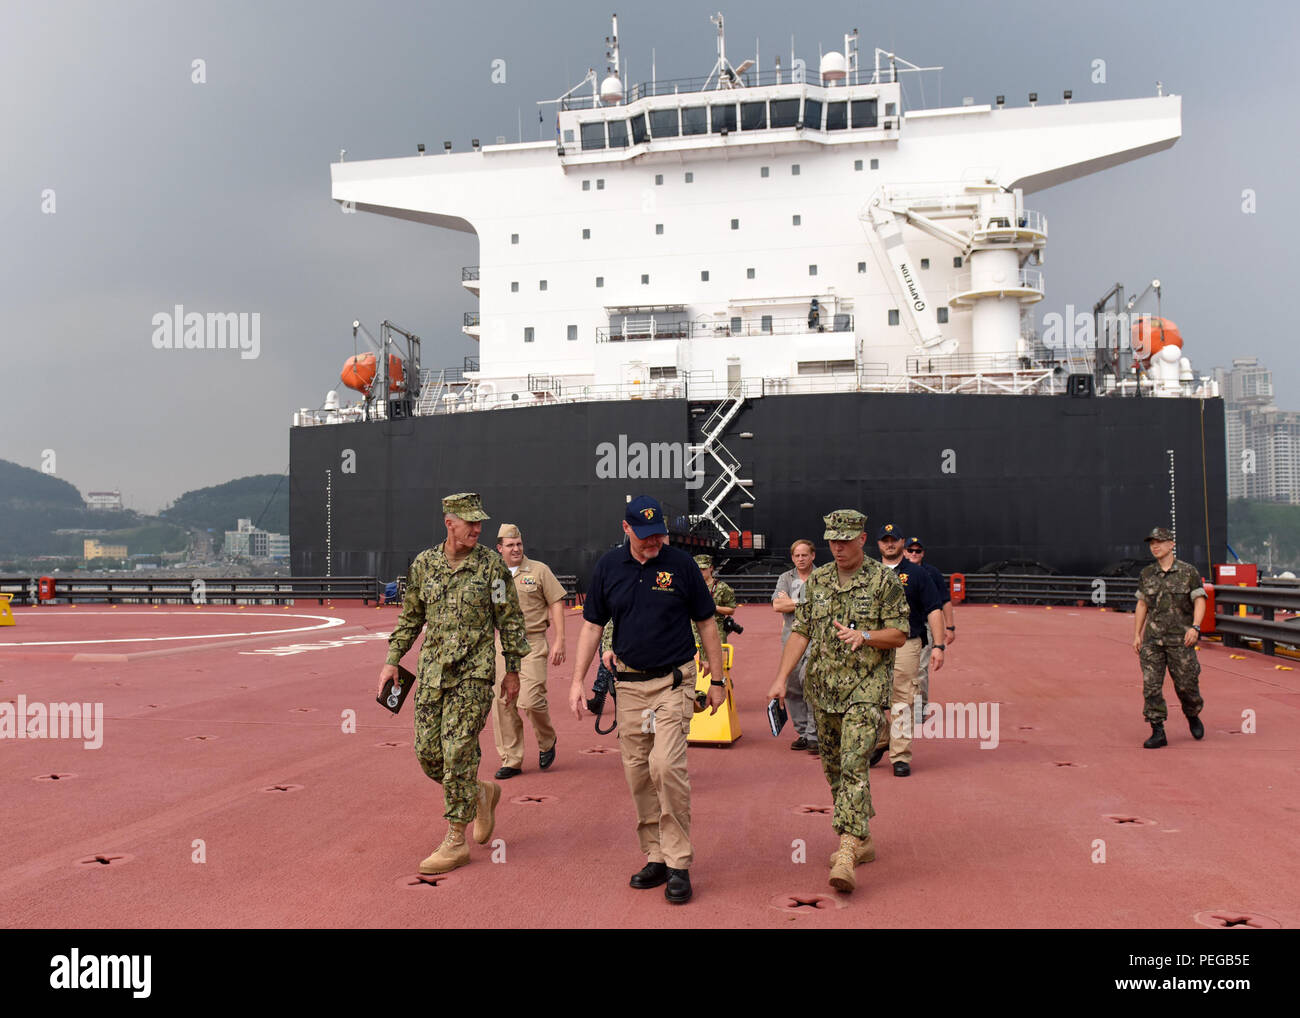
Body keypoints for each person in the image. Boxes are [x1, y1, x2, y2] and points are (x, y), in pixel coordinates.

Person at [567, 495, 726, 905]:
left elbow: (707, 621)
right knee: (638, 772)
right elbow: (591, 627)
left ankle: (679, 862)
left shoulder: (682, 565)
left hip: (674, 681)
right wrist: (575, 682)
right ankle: (655, 853)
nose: (654, 543)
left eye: (659, 536)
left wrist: (719, 677)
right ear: (626, 530)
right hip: (630, 687)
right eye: (645, 537)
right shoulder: (608, 567)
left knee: (666, 765)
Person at [378, 492, 529, 876]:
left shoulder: (492, 567)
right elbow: (411, 617)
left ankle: (455, 839)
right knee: (429, 754)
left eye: (480, 522)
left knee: (459, 748)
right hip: (432, 673)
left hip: (474, 673)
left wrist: (512, 669)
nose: (477, 529)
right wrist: (393, 660)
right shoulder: (424, 565)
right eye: (470, 522)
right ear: (450, 523)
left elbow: (508, 618)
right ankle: (480, 793)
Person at [767, 510, 908, 893]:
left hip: (865, 687)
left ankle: (846, 848)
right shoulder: (821, 580)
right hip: (823, 689)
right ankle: (863, 838)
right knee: (832, 769)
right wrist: (781, 678)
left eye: (846, 540)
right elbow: (803, 630)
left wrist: (865, 635)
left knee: (853, 764)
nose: (838, 547)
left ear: (863, 539)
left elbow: (899, 633)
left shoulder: (883, 580)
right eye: (832, 540)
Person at [490, 523, 567, 779]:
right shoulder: (491, 574)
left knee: (531, 700)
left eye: (519, 544)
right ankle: (511, 759)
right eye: (510, 545)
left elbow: (556, 601)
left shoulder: (538, 570)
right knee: (503, 702)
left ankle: (547, 739)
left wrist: (560, 640)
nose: (516, 549)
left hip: (532, 643)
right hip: (502, 646)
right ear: (500, 548)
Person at [871, 524, 944, 777]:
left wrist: (939, 645)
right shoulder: (868, 572)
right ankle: (882, 739)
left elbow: (934, 608)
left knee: (902, 699)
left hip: (906, 643)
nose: (889, 544)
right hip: (873, 643)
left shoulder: (918, 574)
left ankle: (900, 755)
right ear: (878, 544)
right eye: (885, 540)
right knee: (869, 697)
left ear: (902, 541)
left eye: (894, 540)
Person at [1133, 526, 1207, 748]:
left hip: (1181, 640)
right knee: (1151, 686)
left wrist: (1195, 627)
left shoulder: (1188, 572)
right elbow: (1142, 603)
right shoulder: (1147, 574)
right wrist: (1137, 634)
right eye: (1151, 543)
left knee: (1186, 685)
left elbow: (1200, 600)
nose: (1154, 546)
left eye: (1159, 542)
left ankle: (1192, 713)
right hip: (1153, 641)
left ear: (1171, 544)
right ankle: (1158, 730)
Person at [772, 539, 819, 753]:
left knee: (810, 682)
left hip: (816, 639)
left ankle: (814, 734)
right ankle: (802, 732)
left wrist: (792, 601)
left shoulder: (822, 577)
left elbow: (823, 604)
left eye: (804, 555)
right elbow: (777, 605)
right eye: (797, 555)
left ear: (812, 556)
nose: (801, 559)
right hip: (791, 638)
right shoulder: (785, 578)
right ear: (792, 558)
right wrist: (805, 602)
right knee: (792, 686)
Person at [903, 536, 954, 714]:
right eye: (910, 550)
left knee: (920, 669)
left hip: (923, 626)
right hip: (898, 628)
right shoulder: (892, 571)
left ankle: (919, 708)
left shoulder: (931, 573)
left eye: (918, 551)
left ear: (923, 553)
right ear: (904, 551)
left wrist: (950, 628)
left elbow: (944, 601)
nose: (914, 554)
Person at [690, 554, 737, 648]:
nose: (700, 572)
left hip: (716, 633)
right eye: (697, 570)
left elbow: (731, 610)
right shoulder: (689, 587)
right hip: (694, 635)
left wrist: (714, 607)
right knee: (696, 663)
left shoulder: (722, 587)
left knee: (719, 662)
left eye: (703, 569)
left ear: (711, 568)